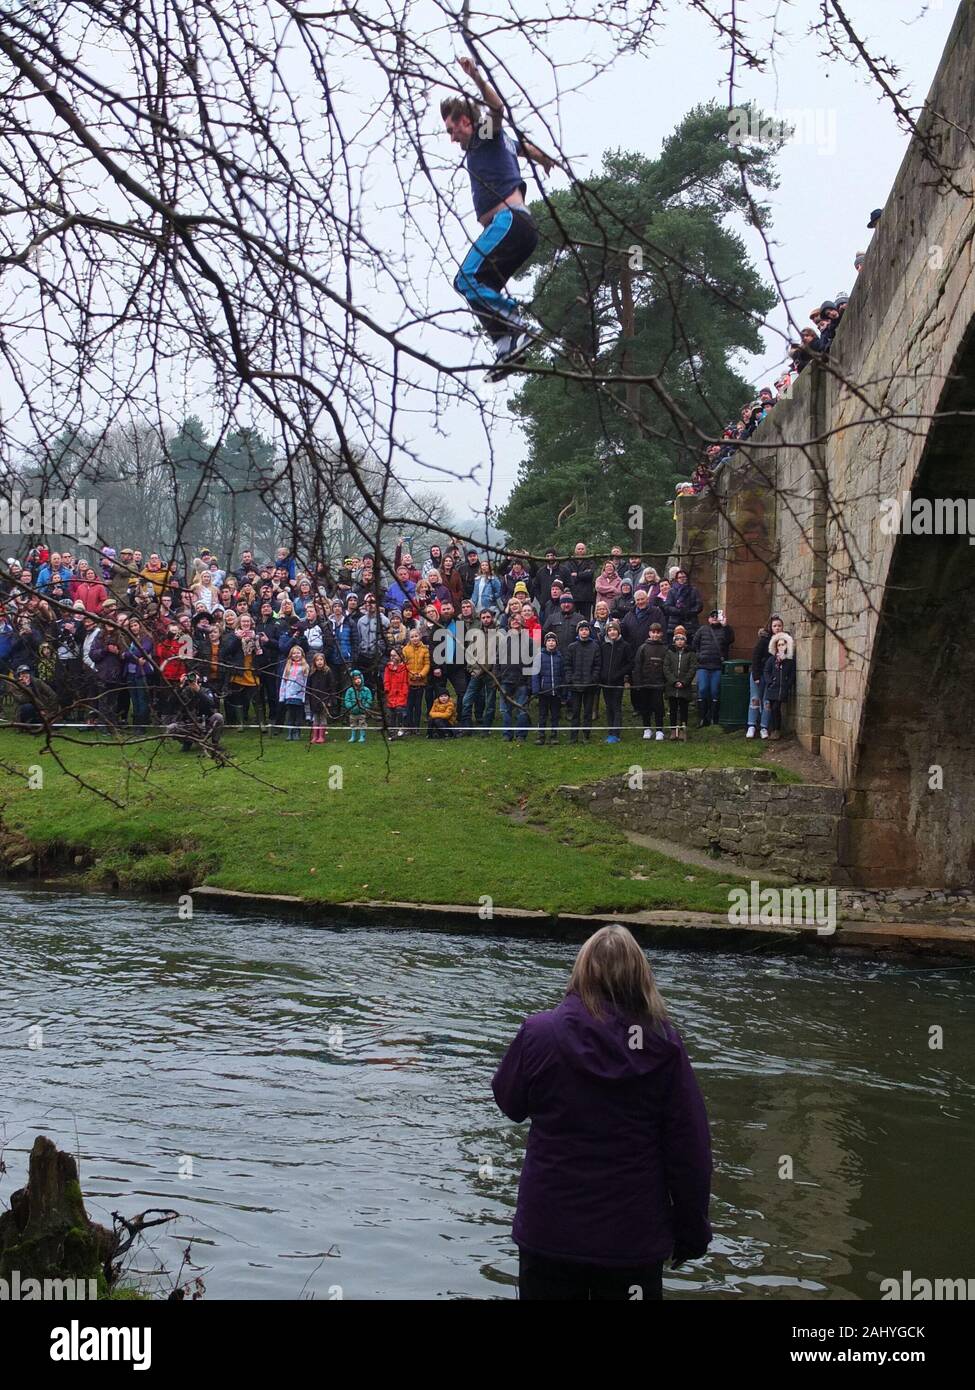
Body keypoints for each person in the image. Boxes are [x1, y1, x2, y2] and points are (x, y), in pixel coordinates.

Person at [492, 924, 712, 1301]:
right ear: (641, 976)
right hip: (631, 1238)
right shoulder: (662, 1043)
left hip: (551, 1231)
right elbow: (690, 1149)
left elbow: (509, 1102)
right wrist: (692, 1229)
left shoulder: (539, 1033)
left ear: (580, 971)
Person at [442, 56, 552, 376]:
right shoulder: (498, 142)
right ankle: (507, 345)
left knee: (465, 279)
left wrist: (476, 76)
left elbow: (498, 109)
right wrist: (544, 158)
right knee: (481, 285)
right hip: (521, 230)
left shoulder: (484, 135)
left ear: (466, 121)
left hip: (509, 222)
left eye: (453, 130)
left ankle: (515, 320)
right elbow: (523, 148)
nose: (452, 139)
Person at [692, 609, 735, 728]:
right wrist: (699, 656)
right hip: (703, 666)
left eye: (717, 616)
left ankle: (713, 718)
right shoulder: (702, 630)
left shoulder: (725, 630)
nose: (715, 618)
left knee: (715, 691)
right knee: (703, 689)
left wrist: (726, 626)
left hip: (717, 666)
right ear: (709, 618)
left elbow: (730, 640)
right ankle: (702, 718)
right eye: (712, 616)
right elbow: (694, 644)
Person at [165, 672, 224, 754]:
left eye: (195, 680)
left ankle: (215, 744)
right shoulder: (183, 691)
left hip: (204, 723)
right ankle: (186, 742)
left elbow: (211, 703)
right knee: (171, 728)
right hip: (187, 724)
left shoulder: (206, 691)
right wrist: (180, 686)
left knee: (218, 717)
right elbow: (170, 702)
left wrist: (198, 691)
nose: (192, 682)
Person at [747, 614, 785, 739]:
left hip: (772, 676)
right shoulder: (764, 641)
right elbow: (756, 658)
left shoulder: (783, 642)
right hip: (759, 673)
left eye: (779, 626)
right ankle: (751, 725)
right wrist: (756, 676)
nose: (777, 628)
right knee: (755, 699)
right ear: (770, 627)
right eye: (775, 626)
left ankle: (764, 727)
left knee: (767, 701)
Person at [564, 617, 600, 742]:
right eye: (581, 630)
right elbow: (567, 665)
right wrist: (570, 679)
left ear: (589, 631)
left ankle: (586, 735)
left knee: (587, 712)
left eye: (586, 629)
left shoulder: (595, 646)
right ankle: (573, 736)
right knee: (575, 712)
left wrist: (593, 679)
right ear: (578, 632)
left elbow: (597, 665)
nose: (584, 632)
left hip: (589, 685)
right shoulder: (572, 647)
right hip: (575, 685)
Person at [632, 622, 668, 740]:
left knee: (658, 707)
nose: (655, 635)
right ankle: (647, 728)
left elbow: (667, 667)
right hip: (645, 684)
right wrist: (638, 683)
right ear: (649, 633)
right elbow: (637, 666)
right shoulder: (643, 648)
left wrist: (665, 683)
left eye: (658, 633)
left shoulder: (665, 649)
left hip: (658, 684)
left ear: (661, 634)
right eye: (653, 632)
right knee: (645, 707)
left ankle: (659, 730)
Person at [598, 619, 632, 744]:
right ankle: (610, 732)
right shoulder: (603, 646)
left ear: (618, 631)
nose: (612, 632)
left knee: (616, 707)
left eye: (614, 630)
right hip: (605, 682)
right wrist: (601, 675)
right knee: (608, 707)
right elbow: (600, 662)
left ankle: (616, 733)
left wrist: (620, 675)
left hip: (617, 682)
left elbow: (629, 663)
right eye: (610, 630)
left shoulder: (625, 646)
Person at [531, 630, 565, 744]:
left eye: (553, 641)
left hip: (556, 692)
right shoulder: (539, 656)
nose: (551, 643)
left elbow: (563, 674)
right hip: (543, 691)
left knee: (555, 714)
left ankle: (554, 735)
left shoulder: (560, 657)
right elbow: (535, 674)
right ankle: (541, 735)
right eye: (549, 641)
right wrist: (536, 689)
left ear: (556, 643)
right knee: (542, 714)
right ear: (545, 643)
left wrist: (563, 689)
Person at [663, 629, 698, 742]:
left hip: (685, 686)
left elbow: (692, 668)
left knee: (684, 709)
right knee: (672, 709)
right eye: (677, 639)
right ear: (674, 640)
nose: (679, 641)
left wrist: (684, 681)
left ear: (685, 641)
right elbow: (666, 668)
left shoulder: (690, 653)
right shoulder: (669, 652)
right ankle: (673, 730)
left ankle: (683, 730)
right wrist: (673, 681)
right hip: (671, 686)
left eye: (682, 639)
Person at [762, 632, 796, 740]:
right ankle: (773, 729)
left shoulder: (789, 661)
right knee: (772, 709)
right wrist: (770, 681)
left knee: (776, 707)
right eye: (779, 645)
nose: (781, 647)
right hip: (773, 688)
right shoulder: (772, 660)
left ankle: (777, 729)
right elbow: (766, 671)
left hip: (782, 689)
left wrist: (788, 684)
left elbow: (792, 674)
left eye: (783, 644)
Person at [13, 663, 57, 730]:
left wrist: (51, 711)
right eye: (22, 673)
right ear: (19, 675)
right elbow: (23, 699)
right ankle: (26, 726)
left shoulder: (37, 681)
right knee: (28, 707)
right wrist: (26, 686)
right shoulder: (15, 685)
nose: (25, 675)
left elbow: (52, 694)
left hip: (41, 708)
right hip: (25, 710)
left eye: (26, 673)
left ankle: (47, 720)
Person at [279, 645, 309, 741]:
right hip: (289, 694)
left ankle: (297, 732)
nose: (296, 655)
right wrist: (282, 696)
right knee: (290, 714)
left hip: (299, 695)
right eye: (294, 653)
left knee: (298, 715)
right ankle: (289, 732)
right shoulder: (288, 666)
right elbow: (283, 681)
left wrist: (304, 696)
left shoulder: (305, 667)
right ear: (291, 655)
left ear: (302, 654)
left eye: (298, 653)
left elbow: (306, 682)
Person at [307, 651, 335, 743]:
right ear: (314, 662)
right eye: (317, 660)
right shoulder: (311, 673)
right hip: (314, 699)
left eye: (321, 659)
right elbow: (309, 687)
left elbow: (331, 686)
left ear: (324, 661)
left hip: (325, 699)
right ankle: (315, 736)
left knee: (323, 717)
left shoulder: (328, 672)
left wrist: (330, 700)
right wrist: (309, 697)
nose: (319, 662)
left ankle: (321, 736)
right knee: (315, 717)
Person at [383, 647, 410, 736]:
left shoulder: (404, 668)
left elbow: (405, 682)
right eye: (391, 656)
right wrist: (387, 689)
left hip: (401, 693)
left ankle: (401, 729)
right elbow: (386, 679)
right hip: (390, 693)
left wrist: (404, 693)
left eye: (394, 655)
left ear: (400, 656)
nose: (392, 657)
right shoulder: (388, 667)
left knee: (400, 711)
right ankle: (392, 731)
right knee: (390, 713)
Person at [343, 669, 373, 742]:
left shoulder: (366, 690)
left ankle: (362, 736)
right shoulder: (350, 690)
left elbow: (369, 699)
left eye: (359, 678)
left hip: (362, 711)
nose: (358, 680)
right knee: (353, 724)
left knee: (362, 723)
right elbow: (347, 699)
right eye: (355, 679)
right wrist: (350, 707)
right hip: (353, 711)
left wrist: (365, 707)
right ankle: (353, 736)